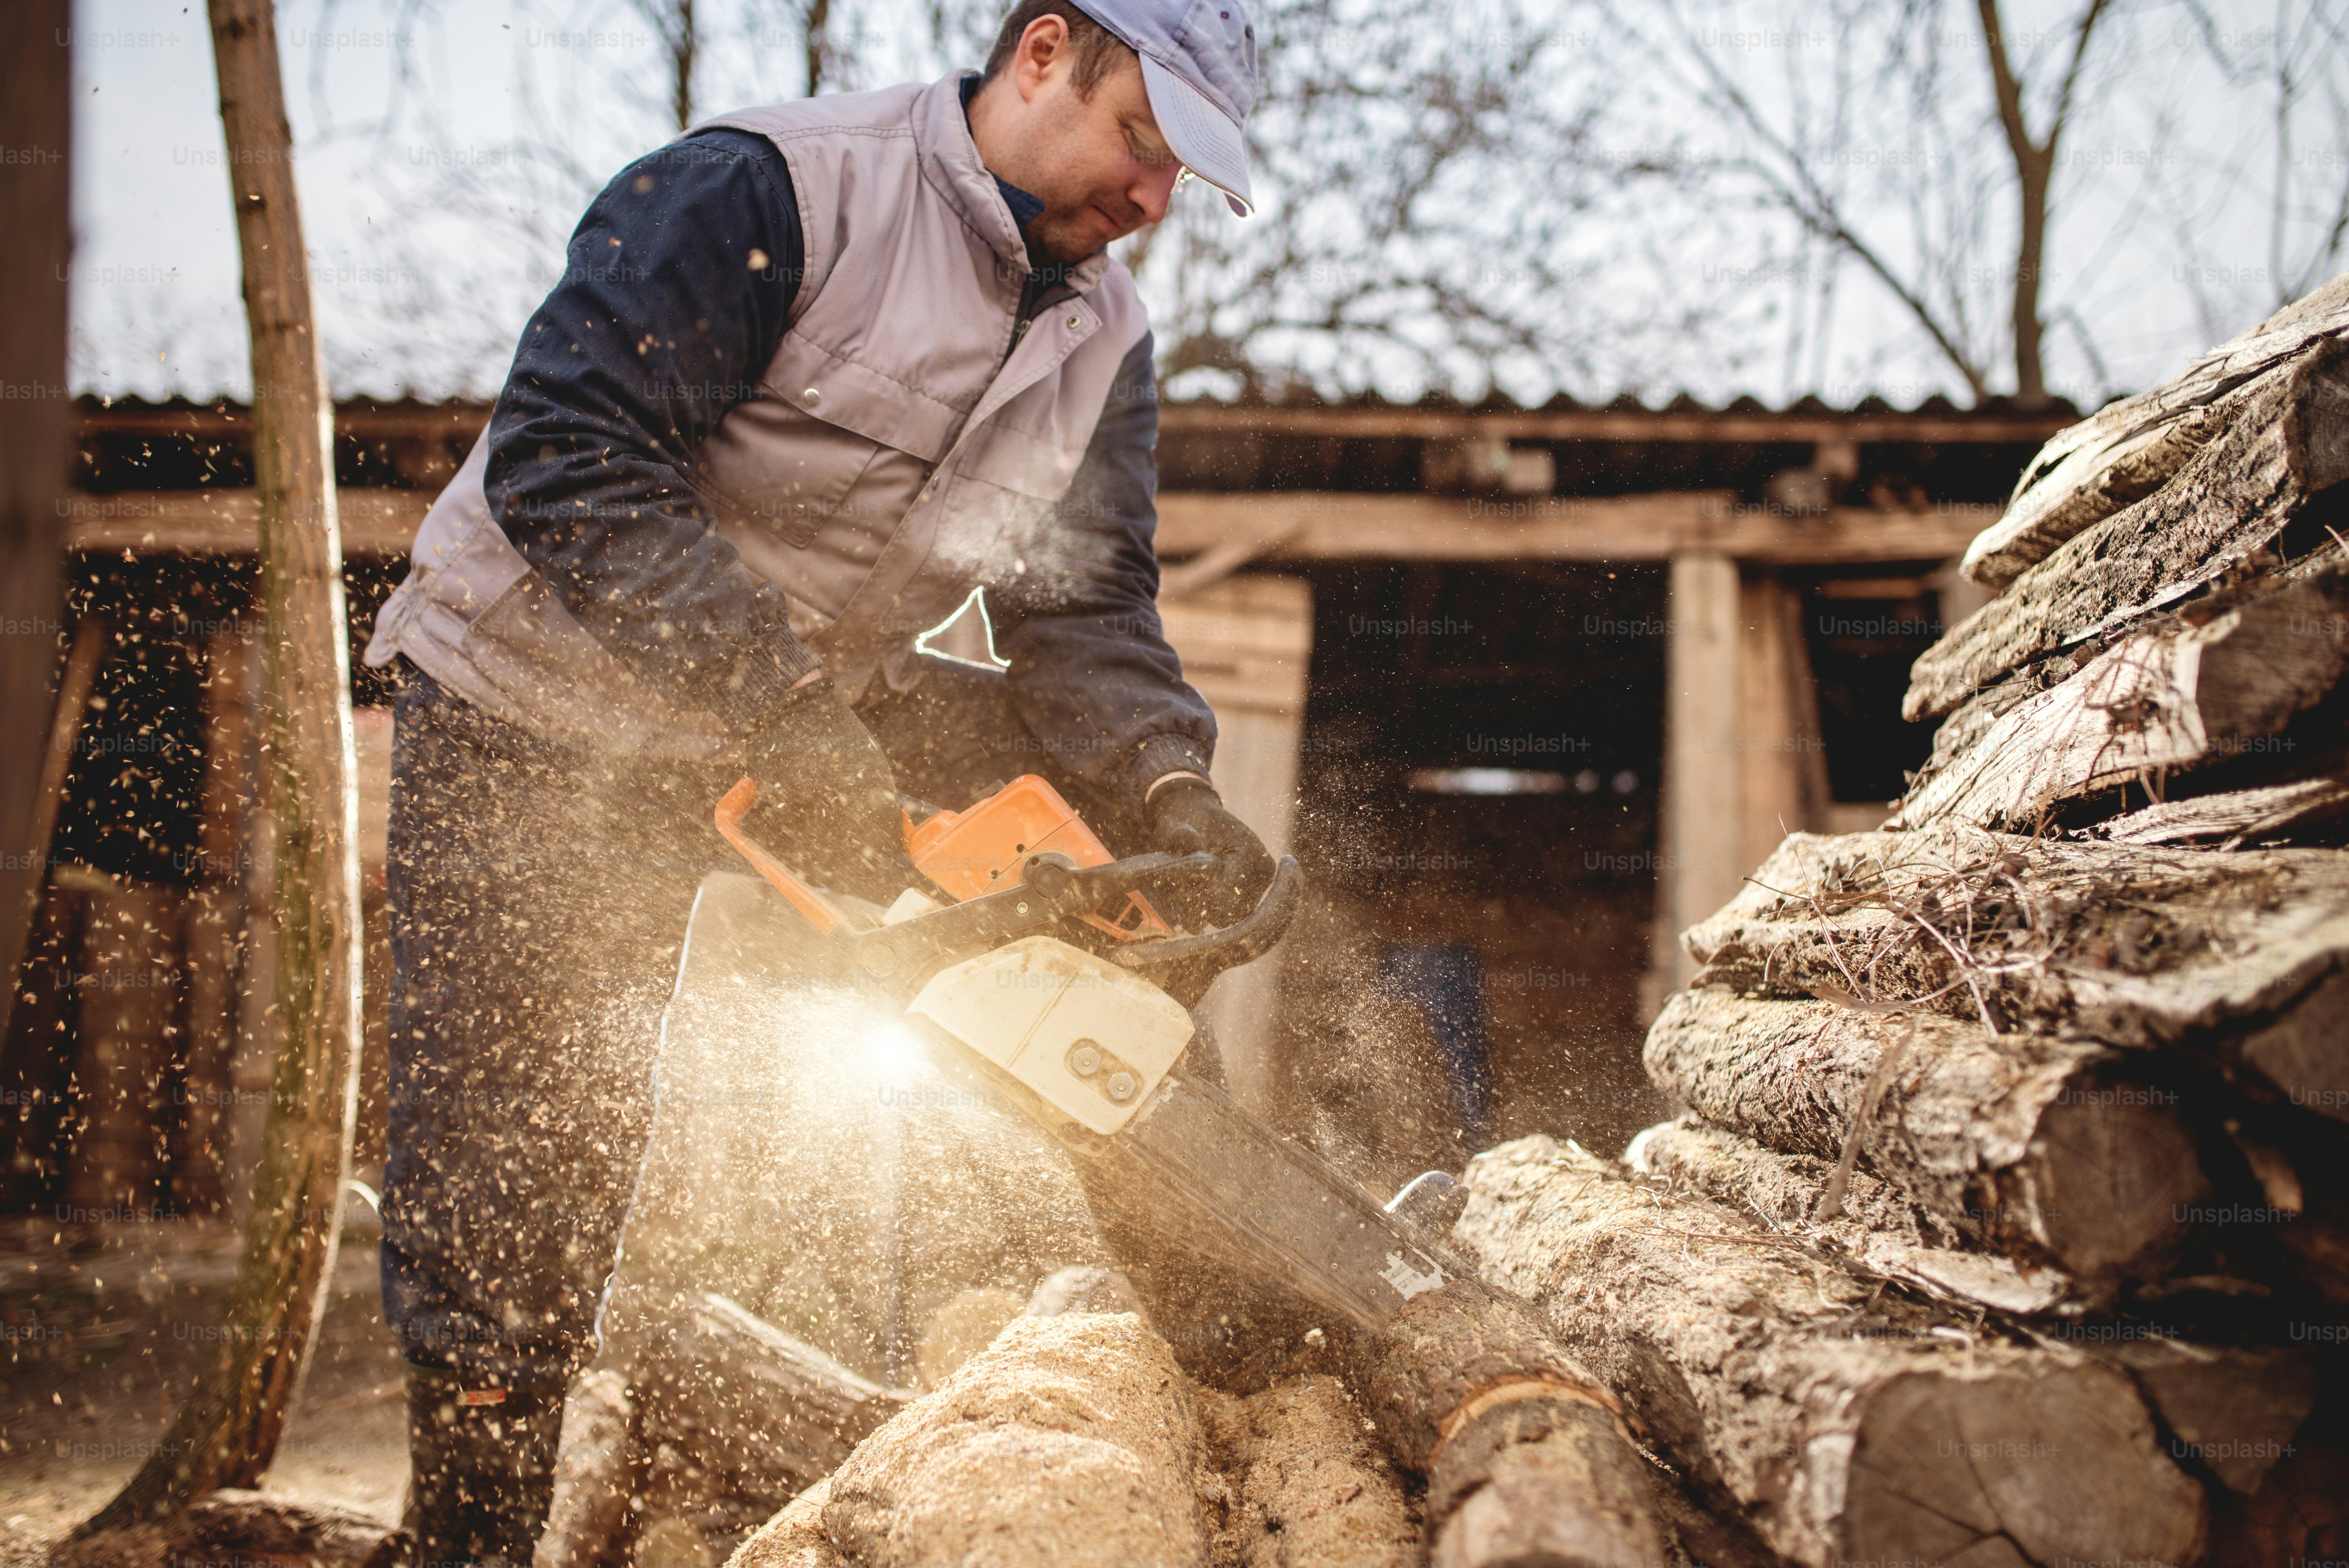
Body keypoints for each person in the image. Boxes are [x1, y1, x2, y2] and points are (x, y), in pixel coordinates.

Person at [358, 0, 1273, 1559]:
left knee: (1098, 878)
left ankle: (1223, 1309)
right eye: (1143, 141)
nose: (1150, 198)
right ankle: (470, 1528)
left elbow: (1082, 608)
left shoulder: (1102, 338)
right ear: (1043, 53)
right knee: (514, 1134)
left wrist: (1171, 790)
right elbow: (569, 451)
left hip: (790, 714)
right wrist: (776, 712)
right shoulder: (772, 187)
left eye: (1184, 175)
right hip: (539, 696)